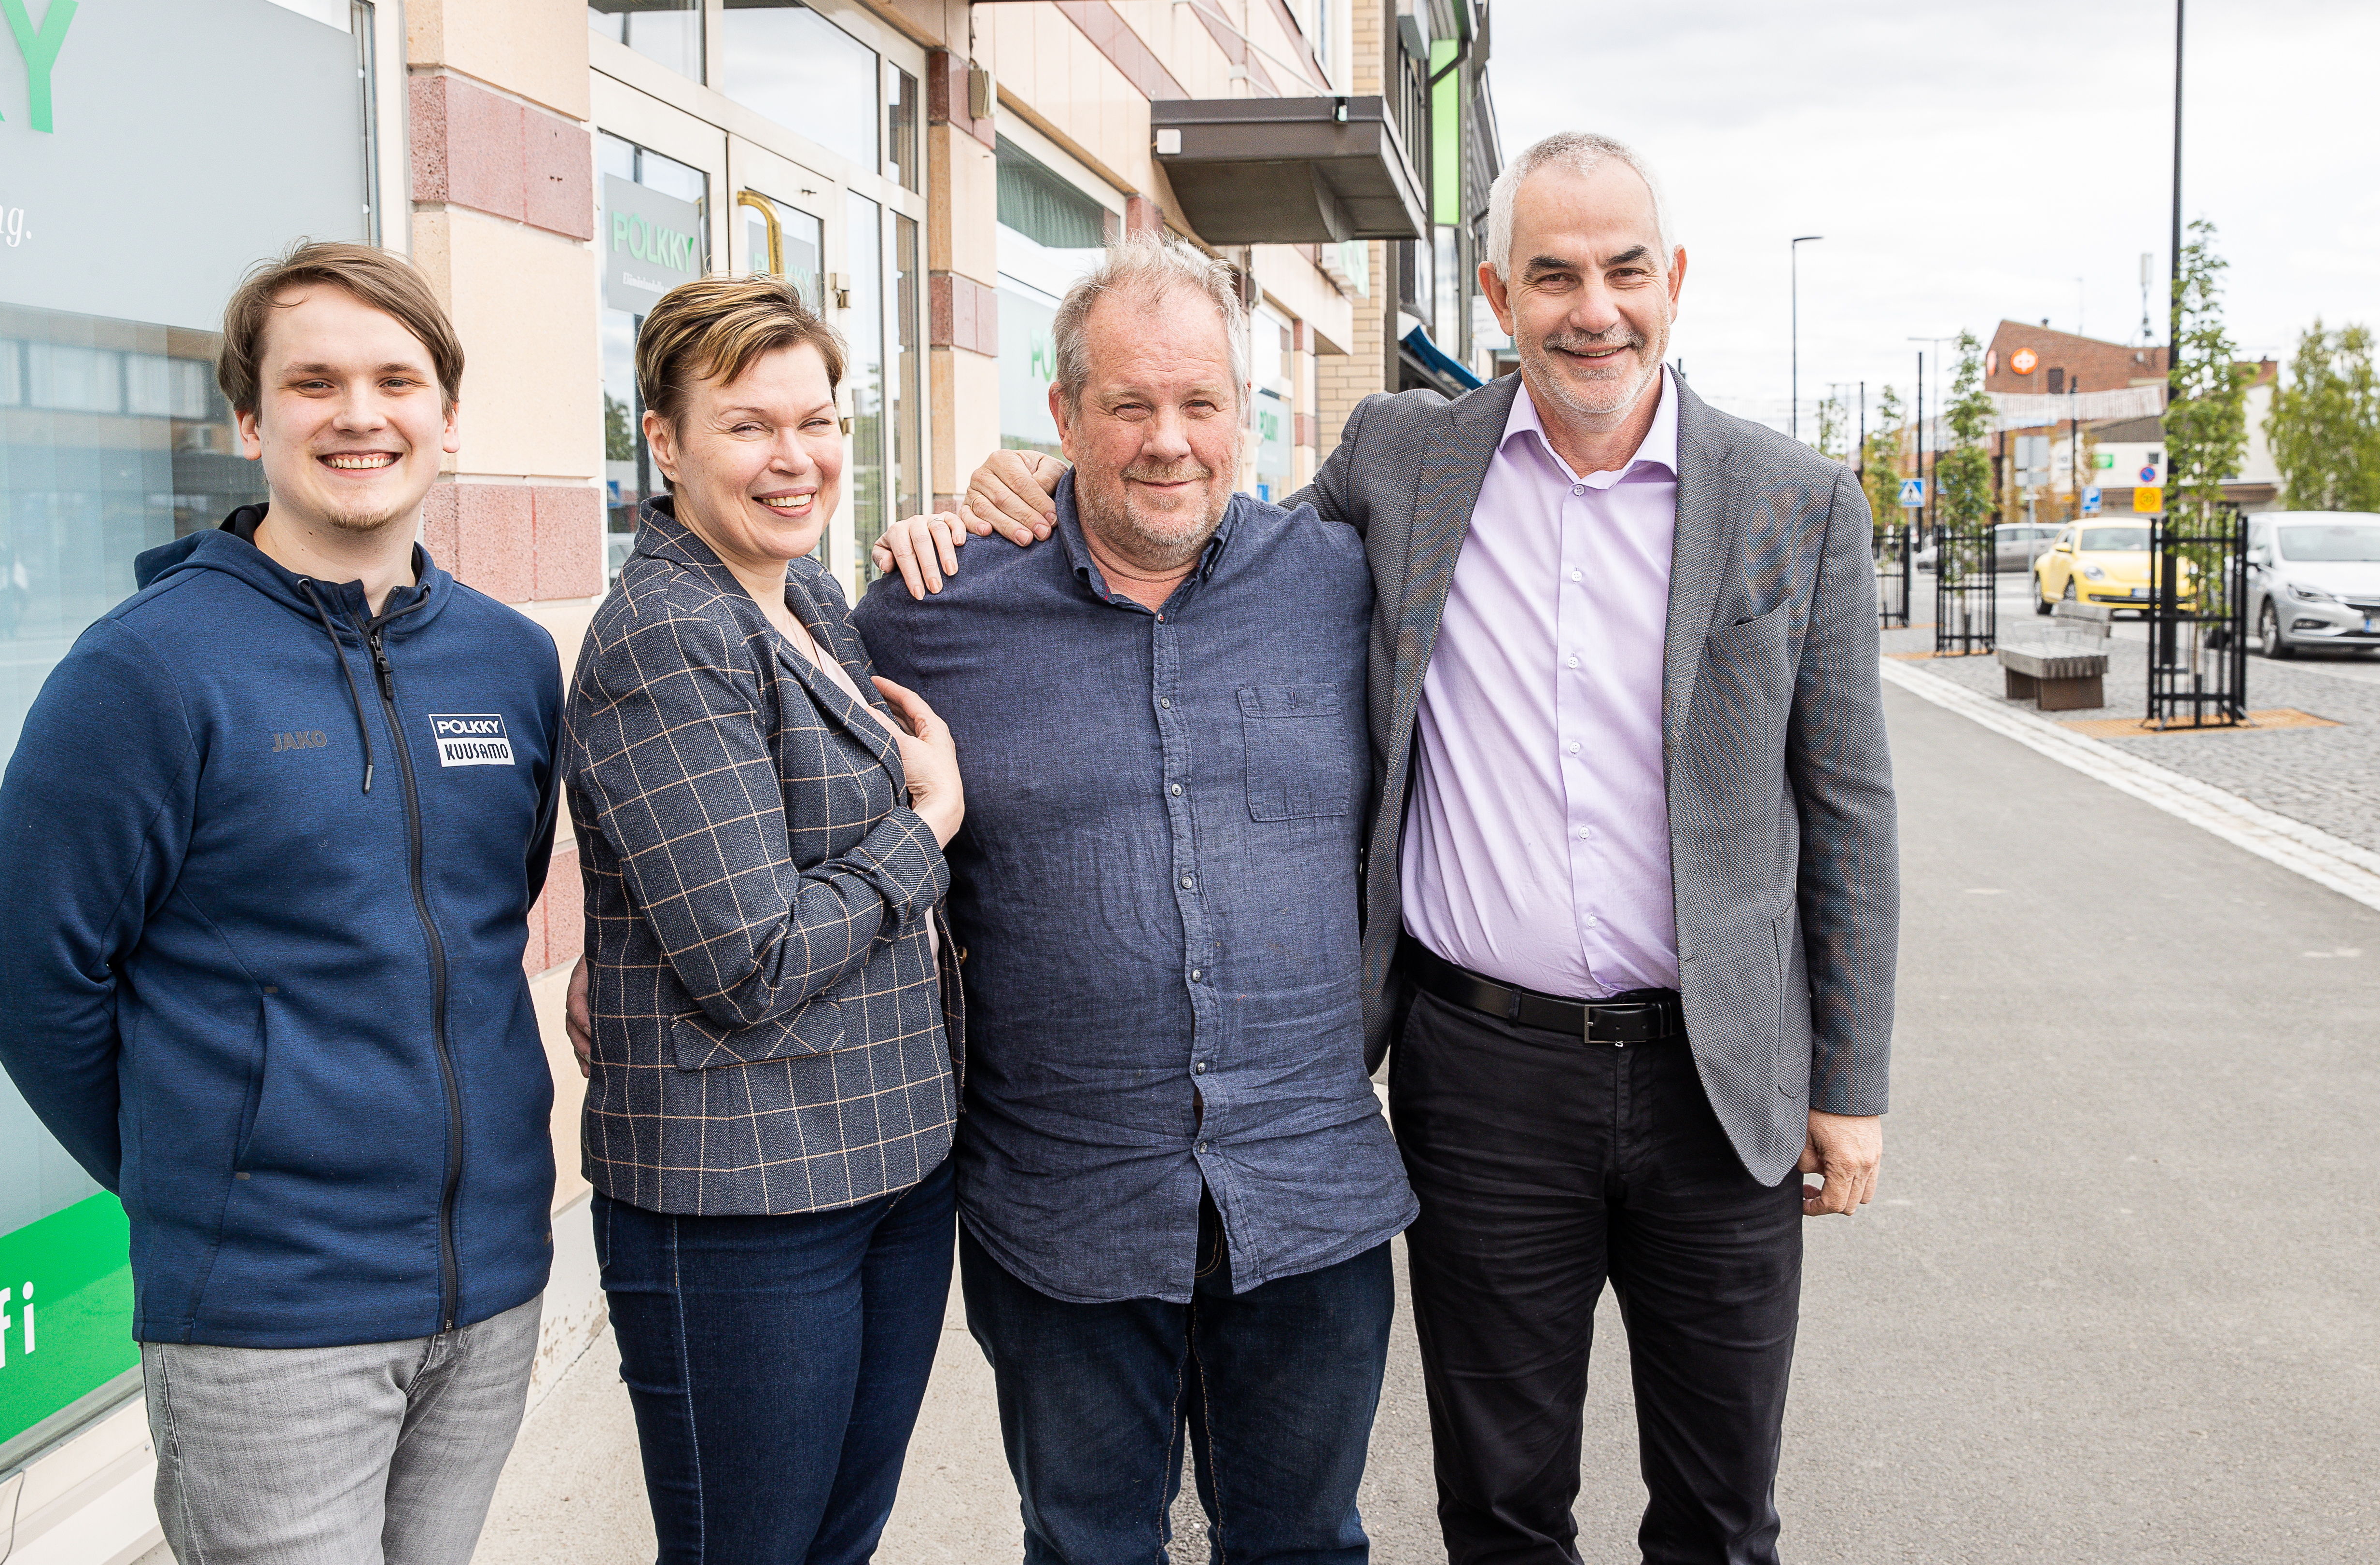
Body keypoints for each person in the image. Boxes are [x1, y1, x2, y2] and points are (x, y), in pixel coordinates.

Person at [897, 131, 1900, 1565]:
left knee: (1722, 1506)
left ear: (1671, 280)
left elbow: (1848, 807)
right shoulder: (1401, 462)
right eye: (1551, 275)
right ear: (1497, 293)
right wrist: (1012, 495)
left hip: (1716, 1077)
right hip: (1483, 1077)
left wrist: (1849, 1084)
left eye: (1622, 270)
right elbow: (1186, 540)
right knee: (1496, 1504)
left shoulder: (1793, 502)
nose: (1590, 308)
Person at [0, 242, 566, 1565]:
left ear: (448, 417)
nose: (360, 414)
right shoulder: (148, 671)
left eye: (396, 379)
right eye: (313, 383)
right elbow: (25, 977)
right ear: (250, 420)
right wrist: (205, 1168)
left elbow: (480, 917)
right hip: (267, 1316)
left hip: (492, 1285)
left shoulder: (511, 664)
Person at [853, 239, 1415, 1565]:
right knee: (1089, 1546)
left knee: (1304, 1545)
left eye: (1200, 403)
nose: (1169, 441)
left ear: (1245, 414)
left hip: (1310, 1196)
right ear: (1060, 418)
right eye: (1127, 405)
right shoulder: (928, 610)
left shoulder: (1340, 585)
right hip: (1060, 1208)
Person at [559, 274, 966, 1565]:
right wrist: (928, 829)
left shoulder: (808, 601)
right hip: (741, 1202)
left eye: (821, 418)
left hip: (887, 1162)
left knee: (834, 1541)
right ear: (665, 442)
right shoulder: (665, 635)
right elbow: (753, 957)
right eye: (747, 425)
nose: (797, 458)